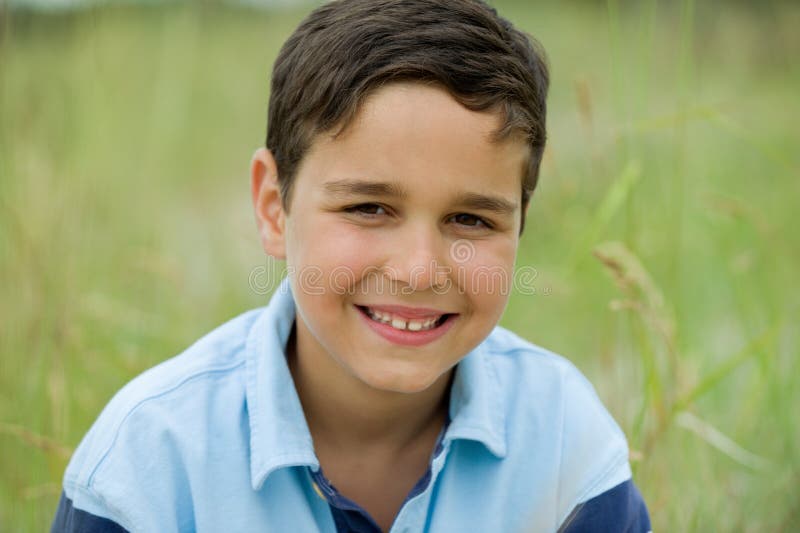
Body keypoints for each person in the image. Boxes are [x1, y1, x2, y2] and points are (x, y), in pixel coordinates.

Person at [51, 1, 651, 531]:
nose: (419, 271)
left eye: (471, 220)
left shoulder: (567, 447)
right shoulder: (148, 464)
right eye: (368, 208)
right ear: (272, 207)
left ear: (520, 221)